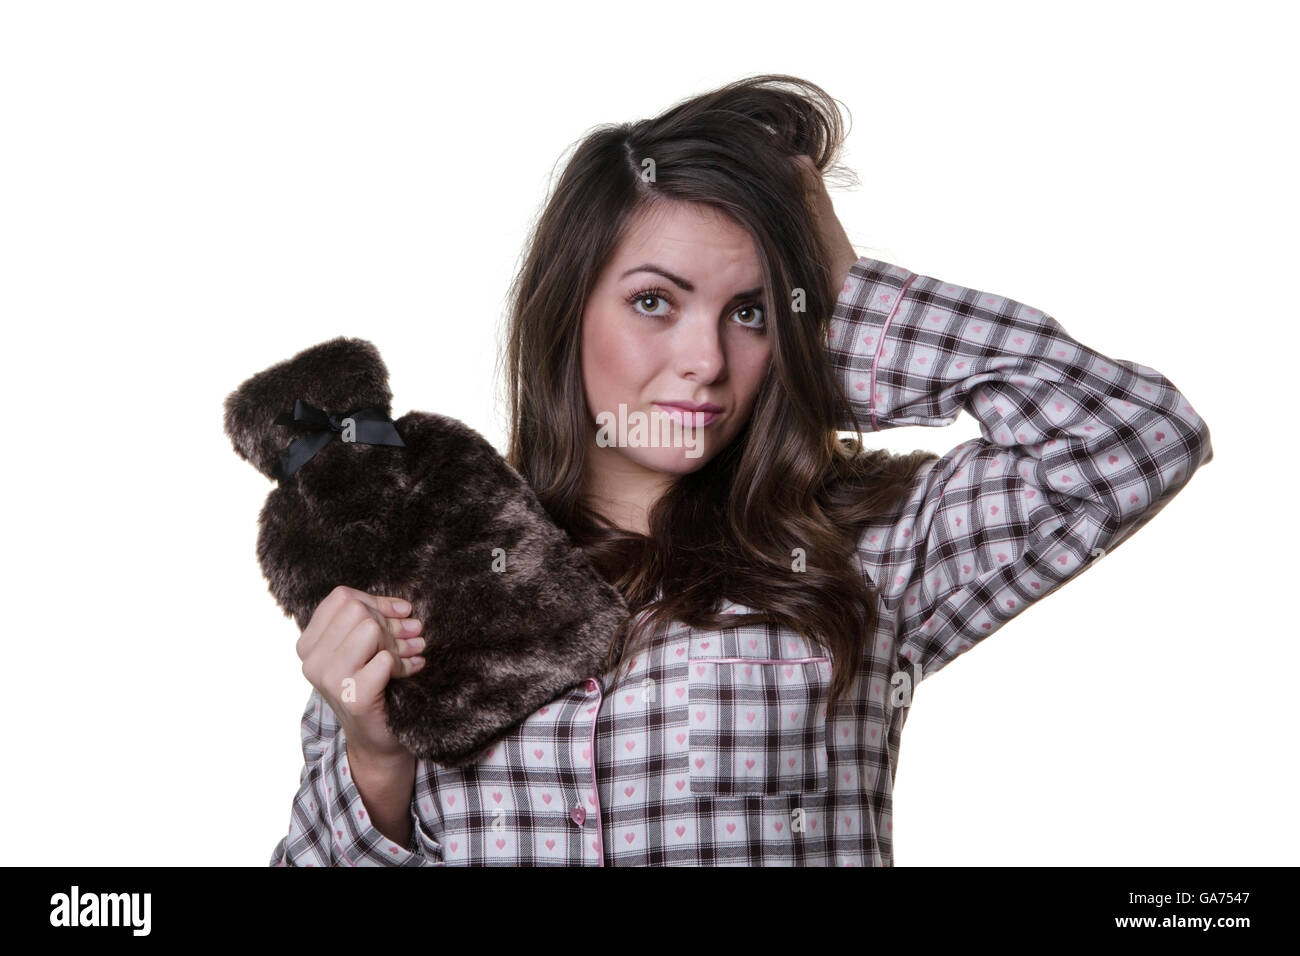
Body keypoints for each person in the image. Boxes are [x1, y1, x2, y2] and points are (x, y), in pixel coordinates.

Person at [270, 74, 1213, 866]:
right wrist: (375, 763)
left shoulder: (868, 551)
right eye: (654, 301)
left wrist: (842, 290)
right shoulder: (417, 552)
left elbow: (1134, 434)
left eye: (753, 312)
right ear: (568, 313)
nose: (707, 360)